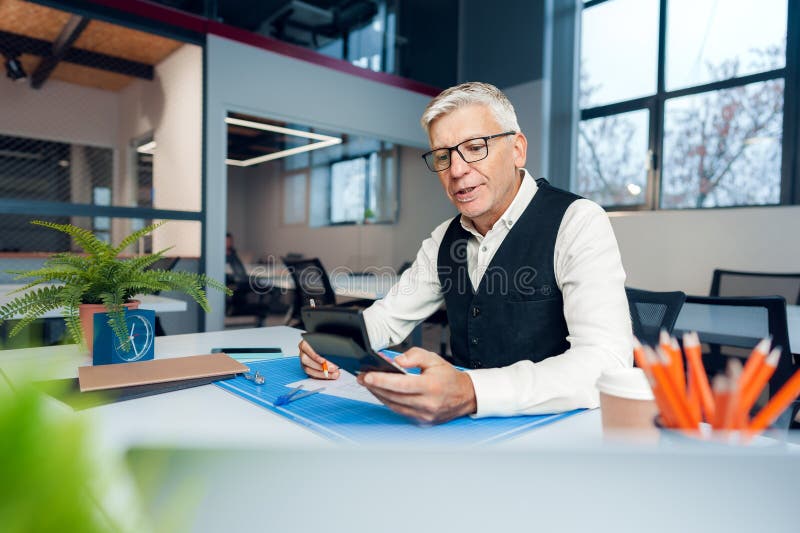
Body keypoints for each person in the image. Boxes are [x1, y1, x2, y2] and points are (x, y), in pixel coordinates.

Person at [299, 82, 632, 424]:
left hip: (554, 430)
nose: (456, 170)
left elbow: (606, 361)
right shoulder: (444, 238)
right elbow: (389, 317)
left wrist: (470, 391)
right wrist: (333, 344)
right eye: (443, 156)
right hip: (464, 433)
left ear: (517, 149)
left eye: (475, 147)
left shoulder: (577, 221)